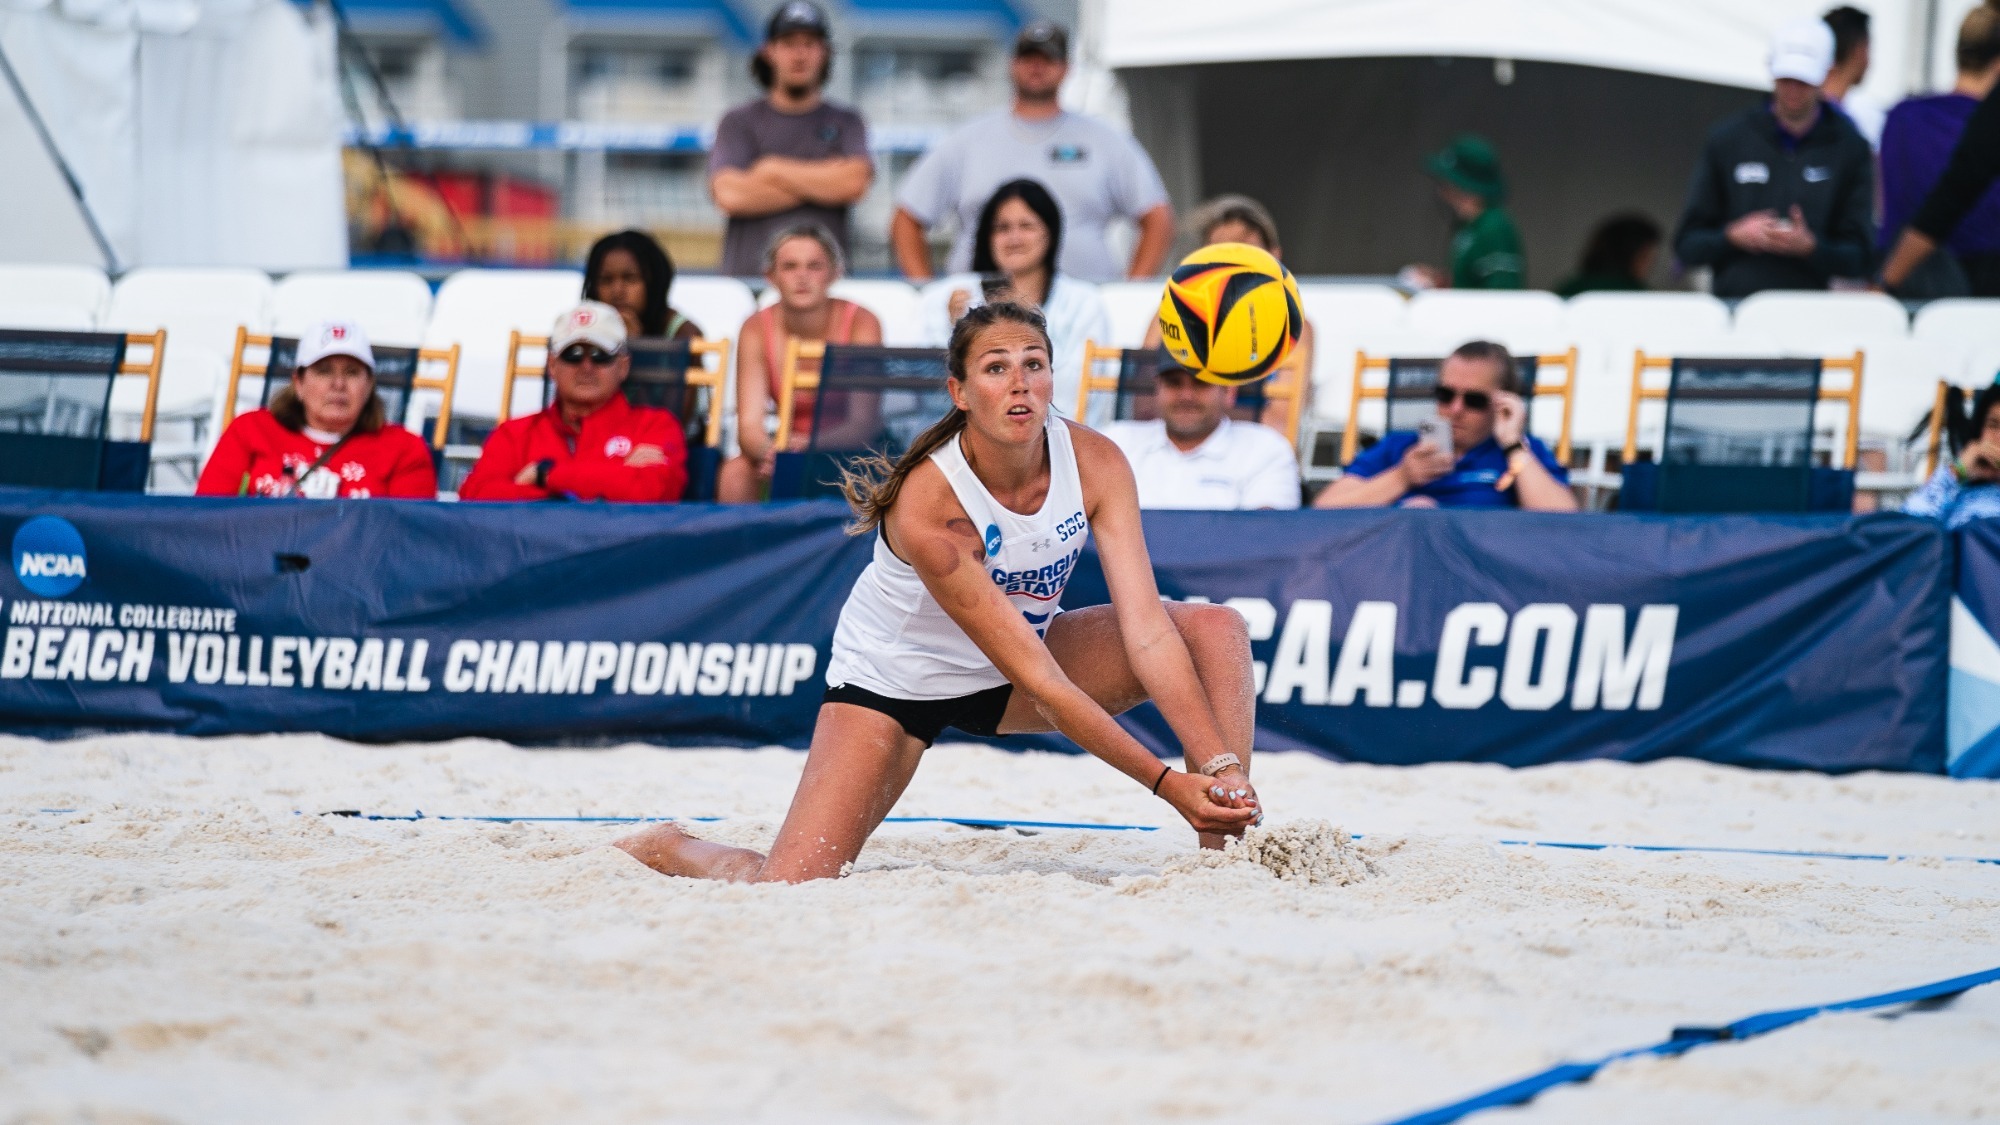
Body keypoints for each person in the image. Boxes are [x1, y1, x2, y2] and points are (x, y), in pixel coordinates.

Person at [611, 303, 1262, 884]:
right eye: (996, 367)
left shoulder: (1097, 460)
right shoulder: (933, 505)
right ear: (959, 391)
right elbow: (1045, 684)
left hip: (1014, 663)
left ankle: (1225, 848)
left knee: (1215, 628)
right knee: (788, 884)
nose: (1019, 382)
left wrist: (1217, 767)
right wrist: (1165, 781)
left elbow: (1148, 631)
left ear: (1052, 381)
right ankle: (670, 844)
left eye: (1034, 364)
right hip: (896, 684)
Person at [891, 20, 1173, 284]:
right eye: (1028, 57)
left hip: (1083, 309)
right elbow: (907, 217)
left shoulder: (1105, 140)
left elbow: (1157, 217)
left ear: (1066, 68)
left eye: (1047, 58)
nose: (1036, 66)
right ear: (1012, 64)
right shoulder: (966, 140)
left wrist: (1129, 293)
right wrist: (927, 291)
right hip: (983, 314)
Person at [1672, 18, 1875, 297]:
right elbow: (1687, 245)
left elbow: (1862, 255)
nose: (1792, 89)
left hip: (1813, 313)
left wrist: (1812, 247)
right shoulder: (1728, 139)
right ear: (1770, 69)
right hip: (1737, 310)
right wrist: (1733, 236)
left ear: (1827, 75)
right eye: (1785, 78)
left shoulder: (1851, 147)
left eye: (1803, 80)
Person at [920, 179, 1109, 424]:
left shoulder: (1084, 303)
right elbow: (927, 395)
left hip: (1061, 441)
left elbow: (1084, 396)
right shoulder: (950, 296)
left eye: (1026, 226)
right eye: (1002, 228)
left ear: (1050, 232)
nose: (1014, 238)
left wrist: (1026, 321)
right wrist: (956, 332)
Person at [458, 302, 688, 502]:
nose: (586, 367)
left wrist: (545, 475)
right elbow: (474, 496)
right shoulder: (515, 433)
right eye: (573, 355)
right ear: (552, 365)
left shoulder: (656, 426)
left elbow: (656, 492)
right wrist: (610, 480)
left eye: (600, 355)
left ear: (623, 366)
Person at [719, 224, 883, 503]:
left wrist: (804, 448)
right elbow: (748, 426)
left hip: (851, 450)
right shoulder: (756, 327)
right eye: (790, 266)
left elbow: (862, 424)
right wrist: (769, 452)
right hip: (787, 447)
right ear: (770, 276)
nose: (802, 276)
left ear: (835, 273)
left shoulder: (861, 322)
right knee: (735, 473)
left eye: (815, 266)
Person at [707, 1, 872, 277]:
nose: (799, 54)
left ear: (826, 52)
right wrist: (823, 182)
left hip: (827, 291)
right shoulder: (737, 121)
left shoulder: (847, 121)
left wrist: (771, 169)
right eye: (788, 43)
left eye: (809, 43)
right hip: (750, 285)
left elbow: (853, 183)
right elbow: (730, 195)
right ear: (768, 52)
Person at [1314, 341, 1576, 512]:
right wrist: (1401, 477)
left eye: (1474, 400)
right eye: (1445, 395)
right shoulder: (1401, 447)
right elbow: (1323, 512)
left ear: (1503, 403)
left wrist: (1512, 445)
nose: (1455, 409)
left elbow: (1564, 523)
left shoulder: (1522, 453)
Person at [196, 320, 436, 500]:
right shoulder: (251, 430)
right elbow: (207, 516)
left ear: (369, 385)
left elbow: (411, 544)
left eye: (352, 372)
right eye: (324, 371)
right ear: (298, 383)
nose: (338, 385)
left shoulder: (404, 449)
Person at [1141, 195, 1316, 421]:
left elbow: (1280, 424)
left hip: (1251, 450)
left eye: (1247, 257)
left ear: (1275, 257)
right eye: (1221, 259)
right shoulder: (1167, 314)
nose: (1233, 271)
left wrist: (1197, 414)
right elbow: (1141, 404)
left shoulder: (1294, 326)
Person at [1879, 5, 2000, 297]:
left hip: (1914, 291)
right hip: (1981, 297)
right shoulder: (1984, 125)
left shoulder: (1903, 117)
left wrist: (1884, 282)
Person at [1102, 364, 1301, 511]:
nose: (1186, 395)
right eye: (1174, 383)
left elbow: (1268, 538)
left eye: (1201, 382)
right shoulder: (1115, 442)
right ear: (1158, 389)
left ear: (1229, 392)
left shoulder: (1265, 450)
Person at [1407, 135, 1526, 290]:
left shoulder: (1494, 227)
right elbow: (1469, 282)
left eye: (1446, 182)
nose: (1441, 190)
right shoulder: (1470, 225)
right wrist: (1440, 281)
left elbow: (1502, 294)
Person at [1905, 385, 2000, 529]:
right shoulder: (1954, 495)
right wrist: (1957, 471)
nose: (1998, 437)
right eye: (1993, 425)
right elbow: (1906, 529)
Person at [583, 230, 702, 343]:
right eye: (606, 280)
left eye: (630, 278)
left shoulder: (684, 334)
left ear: (654, 282)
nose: (617, 291)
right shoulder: (581, 328)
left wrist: (636, 345)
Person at [1554, 214, 1664, 297]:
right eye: (1647, 257)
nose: (1651, 265)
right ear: (1632, 256)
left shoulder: (1570, 287)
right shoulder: (1637, 294)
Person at [1821, 6, 1884, 148]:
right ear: (1859, 50)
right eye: (1869, 49)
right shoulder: (1866, 118)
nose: (1869, 62)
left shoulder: (1795, 107)